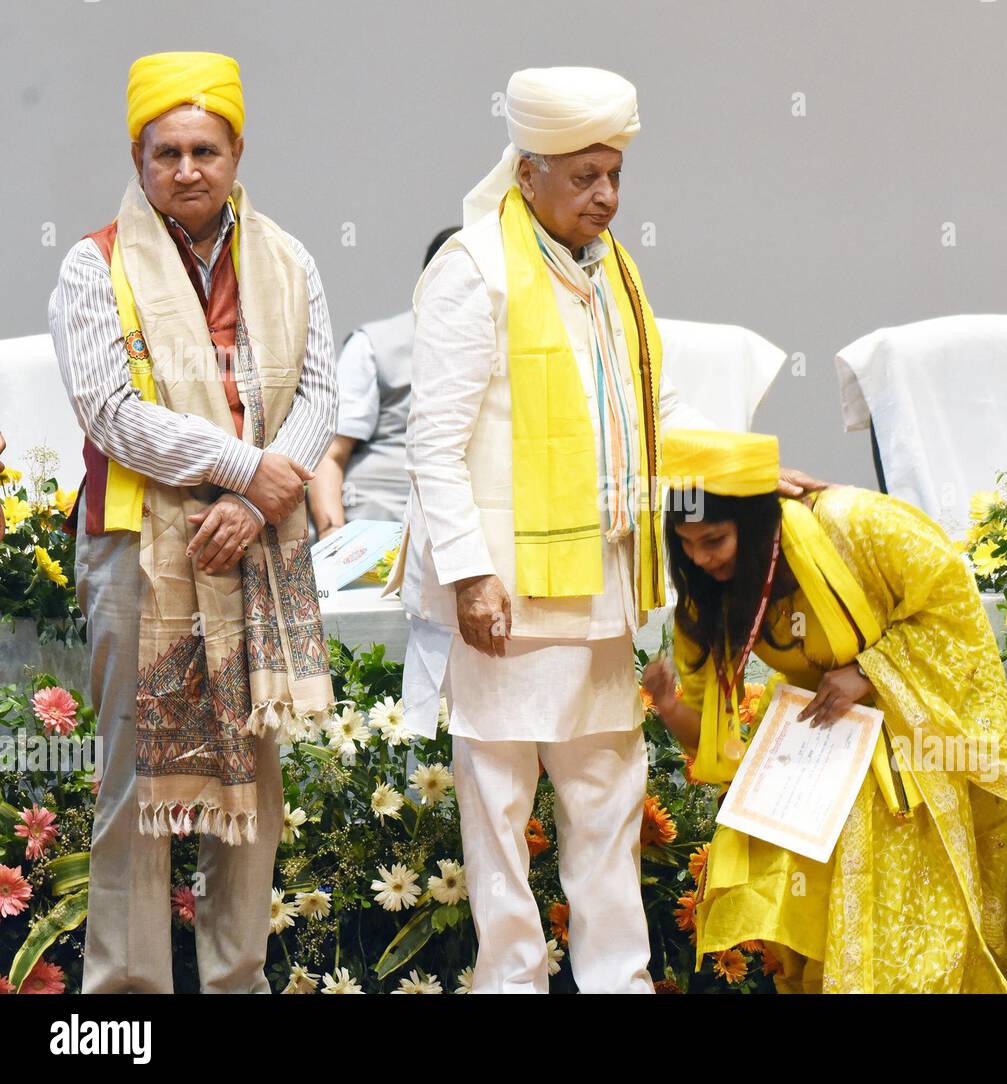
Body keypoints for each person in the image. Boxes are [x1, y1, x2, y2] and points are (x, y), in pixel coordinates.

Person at [386, 66, 820, 993]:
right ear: (528, 168)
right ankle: (511, 983)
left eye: (615, 173)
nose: (607, 195)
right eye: (584, 175)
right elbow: (434, 439)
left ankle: (617, 983)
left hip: (602, 593)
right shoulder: (475, 269)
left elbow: (645, 414)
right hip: (504, 596)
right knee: (499, 813)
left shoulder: (612, 271)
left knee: (609, 806)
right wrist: (467, 575)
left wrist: (742, 479)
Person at [48, 51, 337, 993]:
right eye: (165, 151)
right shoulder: (93, 265)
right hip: (141, 552)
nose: (186, 169)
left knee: (248, 779)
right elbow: (111, 411)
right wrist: (248, 472)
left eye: (204, 149)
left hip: (255, 545)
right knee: (141, 784)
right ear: (138, 158)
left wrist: (256, 503)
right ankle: (125, 1001)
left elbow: (320, 393)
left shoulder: (288, 260)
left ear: (236, 150)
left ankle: (234, 982)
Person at [645, 428, 1007, 992]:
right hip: (816, 764)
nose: (701, 560)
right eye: (687, 544)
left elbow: (952, 598)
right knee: (826, 932)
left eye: (715, 540)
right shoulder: (709, 599)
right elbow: (711, 739)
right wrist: (666, 705)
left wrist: (868, 671)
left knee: (913, 937)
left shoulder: (855, 524)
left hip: (906, 749)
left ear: (754, 526)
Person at [308, 227, 458, 533]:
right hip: (377, 525)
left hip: (464, 528)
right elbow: (329, 453)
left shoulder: (507, 350)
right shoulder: (374, 345)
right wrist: (332, 536)